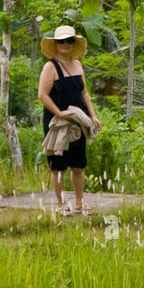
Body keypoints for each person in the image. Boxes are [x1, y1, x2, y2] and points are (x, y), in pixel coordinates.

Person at [38, 24, 101, 215]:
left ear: (74, 43)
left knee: (78, 165)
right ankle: (60, 204)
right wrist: (59, 113)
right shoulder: (50, 67)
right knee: (58, 167)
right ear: (56, 44)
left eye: (69, 41)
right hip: (57, 123)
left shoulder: (78, 65)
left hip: (77, 121)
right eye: (61, 41)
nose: (65, 44)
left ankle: (79, 202)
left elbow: (84, 93)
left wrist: (93, 115)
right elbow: (43, 95)